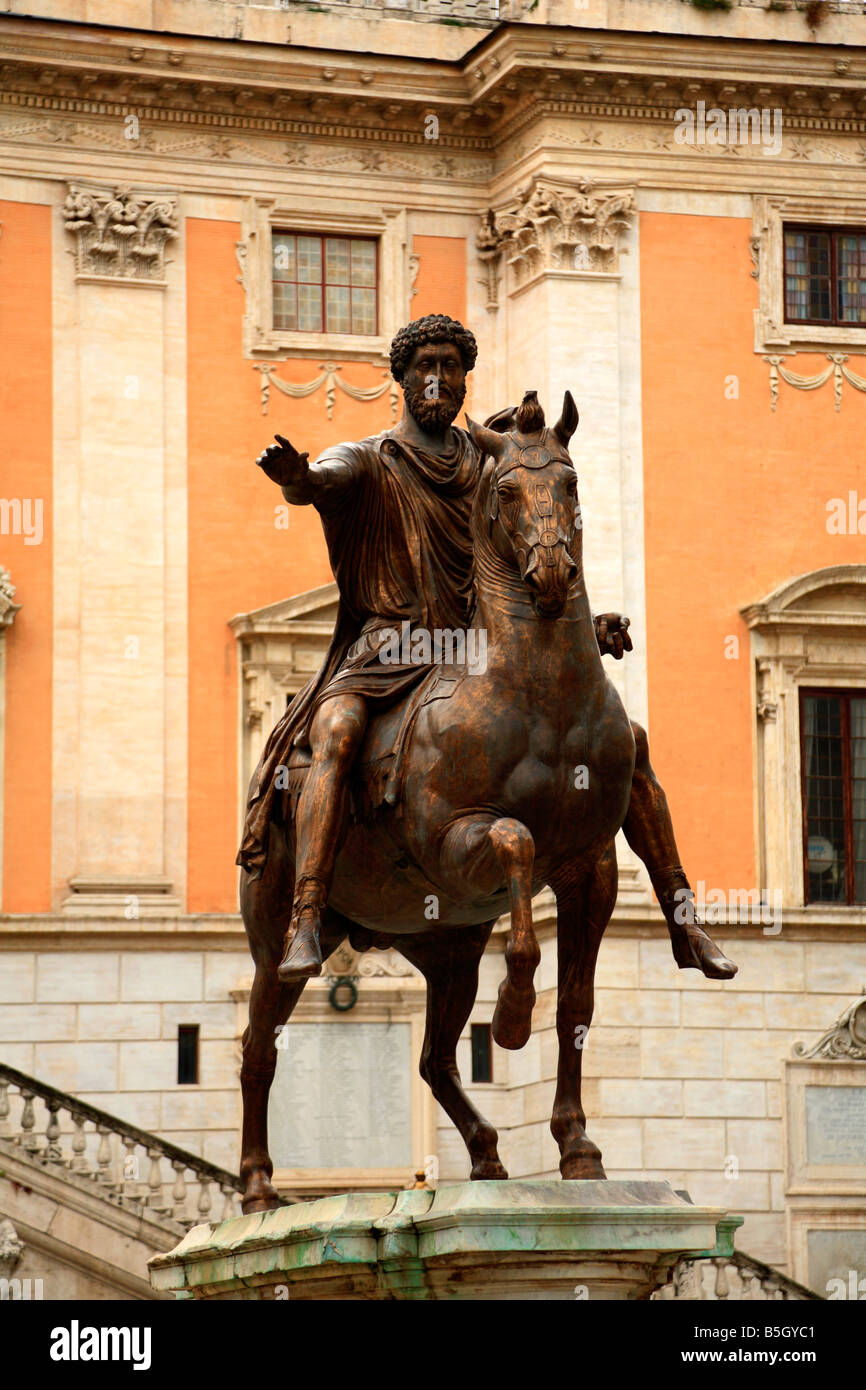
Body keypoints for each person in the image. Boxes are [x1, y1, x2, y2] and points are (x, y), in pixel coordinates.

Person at [237, 314, 735, 985]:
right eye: (424, 367)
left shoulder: (488, 464)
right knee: (338, 729)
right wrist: (297, 478)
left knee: (628, 742)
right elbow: (320, 483)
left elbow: (525, 561)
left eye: (450, 366)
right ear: (403, 378)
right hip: (391, 648)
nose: (437, 379)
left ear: (465, 378)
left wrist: (588, 628)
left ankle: (681, 911)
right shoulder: (372, 458)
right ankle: (305, 914)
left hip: (476, 650)